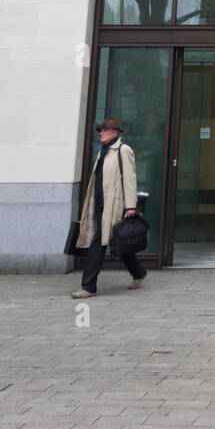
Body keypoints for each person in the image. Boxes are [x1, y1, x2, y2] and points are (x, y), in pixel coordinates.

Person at [71, 117, 146, 298]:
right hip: (100, 206)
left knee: (98, 244)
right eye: (100, 130)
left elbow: (129, 179)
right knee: (117, 243)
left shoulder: (123, 150)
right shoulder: (103, 151)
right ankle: (139, 273)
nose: (101, 133)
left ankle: (88, 286)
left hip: (115, 206)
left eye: (104, 130)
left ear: (114, 133)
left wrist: (130, 206)